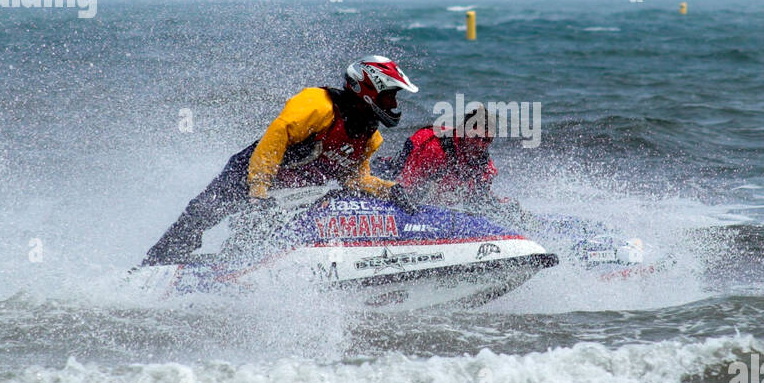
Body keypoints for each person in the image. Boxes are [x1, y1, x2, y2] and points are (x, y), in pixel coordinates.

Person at [142, 55, 419, 265]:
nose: (393, 105)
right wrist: (258, 191)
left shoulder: (370, 139)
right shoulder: (318, 104)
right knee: (199, 216)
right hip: (250, 176)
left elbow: (355, 178)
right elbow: (276, 138)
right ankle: (152, 267)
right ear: (367, 91)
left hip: (289, 195)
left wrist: (389, 190)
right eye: (389, 97)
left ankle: (227, 271)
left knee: (254, 241)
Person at [397, 102, 500, 207]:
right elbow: (406, 183)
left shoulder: (486, 168)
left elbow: (478, 200)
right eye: (476, 137)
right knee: (407, 192)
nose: (480, 145)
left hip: (444, 161)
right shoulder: (435, 149)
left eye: (486, 140)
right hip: (416, 146)